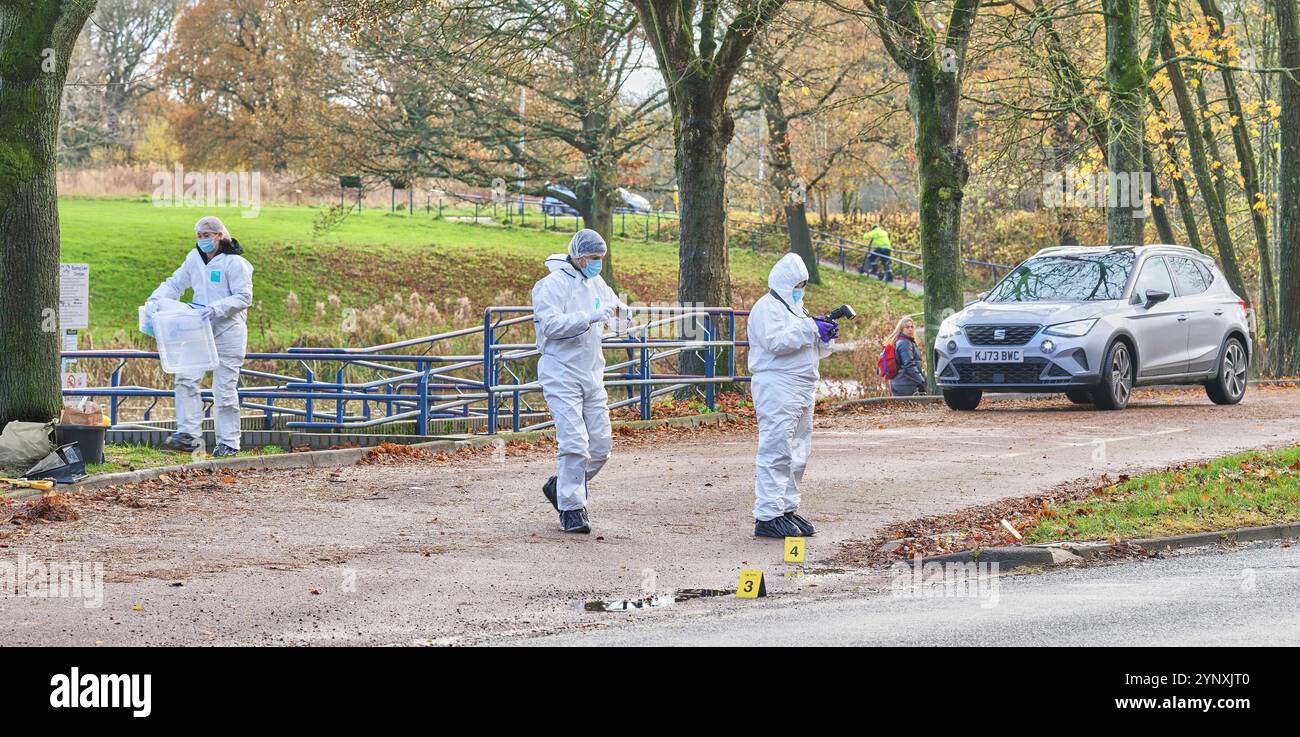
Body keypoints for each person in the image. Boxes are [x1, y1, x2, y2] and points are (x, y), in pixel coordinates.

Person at [531, 229, 630, 534]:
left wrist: (622, 316)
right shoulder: (550, 285)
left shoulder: (597, 283)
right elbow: (550, 326)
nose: (597, 263)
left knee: (601, 446)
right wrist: (589, 316)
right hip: (561, 373)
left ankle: (561, 485)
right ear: (578, 254)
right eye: (594, 258)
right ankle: (572, 508)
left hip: (592, 373)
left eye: (601, 258)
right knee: (575, 443)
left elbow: (614, 319)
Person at [747, 253, 838, 539]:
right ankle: (768, 514)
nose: (802, 289)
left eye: (804, 284)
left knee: (798, 451)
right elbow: (777, 342)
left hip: (801, 386)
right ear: (786, 283)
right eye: (798, 284)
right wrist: (812, 329)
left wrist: (824, 335)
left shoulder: (798, 309)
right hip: (778, 385)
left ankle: (786, 508)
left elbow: (806, 344)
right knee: (777, 448)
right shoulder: (767, 308)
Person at [149, 216, 253, 457]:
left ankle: (228, 442)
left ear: (219, 236)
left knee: (224, 390)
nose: (202, 240)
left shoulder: (235, 263)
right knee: (185, 378)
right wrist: (156, 300)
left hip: (228, 331)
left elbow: (243, 297)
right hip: (197, 328)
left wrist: (217, 308)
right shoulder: (194, 259)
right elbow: (175, 283)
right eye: (199, 236)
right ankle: (188, 433)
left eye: (207, 236)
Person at [888, 317, 927, 396]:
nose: (910, 329)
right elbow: (909, 365)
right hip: (905, 384)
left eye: (912, 327)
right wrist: (922, 381)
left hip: (900, 383)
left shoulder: (903, 341)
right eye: (907, 327)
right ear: (901, 329)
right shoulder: (904, 343)